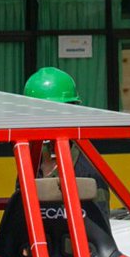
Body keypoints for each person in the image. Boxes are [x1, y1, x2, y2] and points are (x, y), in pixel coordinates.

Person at [23, 67, 111, 219]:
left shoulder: (88, 171)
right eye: (39, 113)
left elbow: (98, 231)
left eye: (52, 113)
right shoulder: (29, 164)